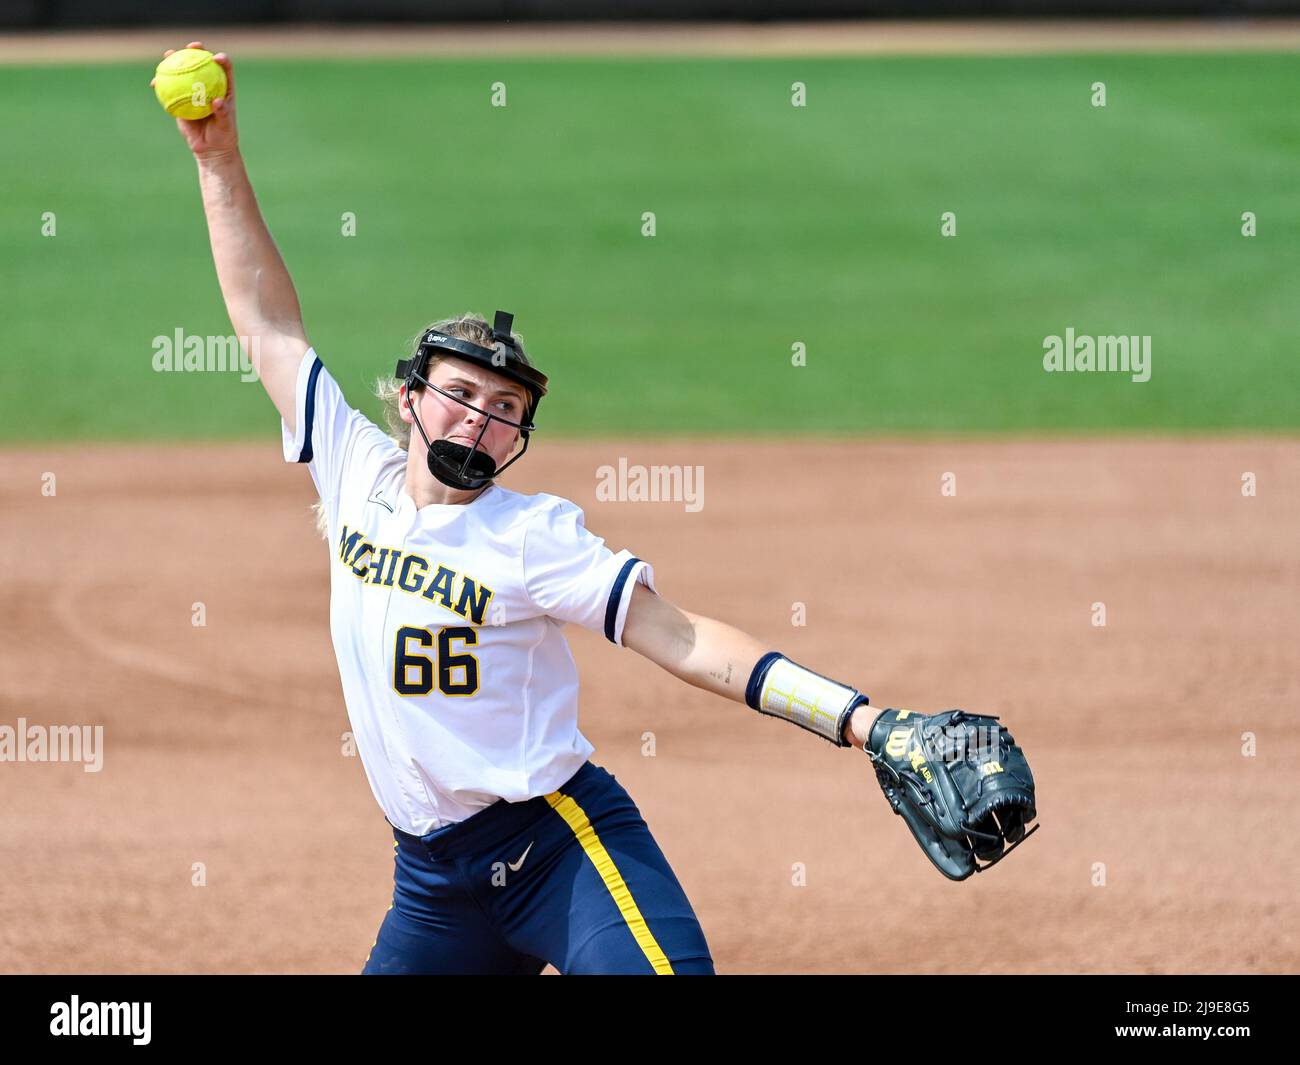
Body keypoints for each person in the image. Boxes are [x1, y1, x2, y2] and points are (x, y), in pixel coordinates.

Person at [164, 43, 890, 975]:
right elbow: (266, 322)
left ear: (520, 437)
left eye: (507, 409)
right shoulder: (352, 472)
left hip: (561, 850)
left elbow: (685, 639)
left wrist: (860, 719)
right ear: (410, 397)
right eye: (464, 392)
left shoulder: (531, 534)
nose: (483, 417)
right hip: (432, 886)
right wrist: (215, 158)